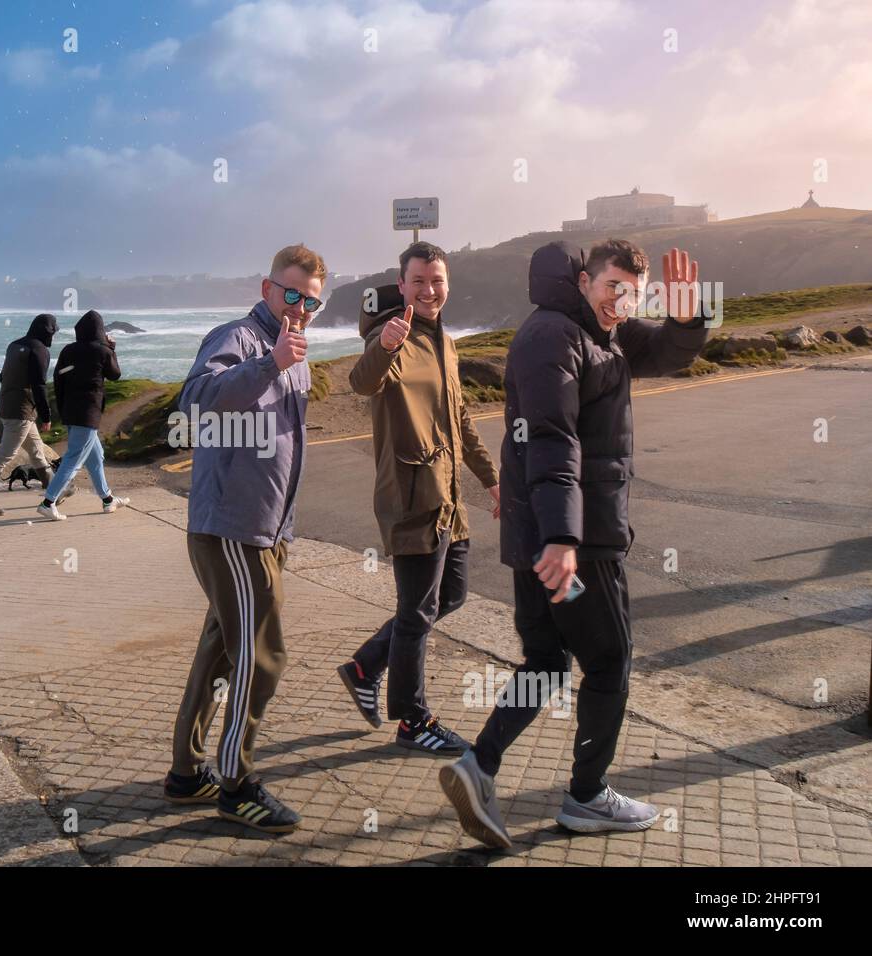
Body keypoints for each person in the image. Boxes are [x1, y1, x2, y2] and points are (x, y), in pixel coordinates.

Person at [440, 239, 707, 849]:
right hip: (575, 542)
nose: (622, 301)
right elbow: (553, 441)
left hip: (550, 536)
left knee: (548, 663)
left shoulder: (600, 331)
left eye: (632, 293)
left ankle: (477, 767)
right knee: (609, 661)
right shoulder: (553, 338)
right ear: (585, 279)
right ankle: (587, 798)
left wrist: (688, 318)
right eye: (613, 286)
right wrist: (564, 537)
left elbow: (668, 354)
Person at [163, 243, 324, 834]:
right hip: (233, 529)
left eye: (311, 300)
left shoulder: (294, 351)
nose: (300, 306)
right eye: (290, 293)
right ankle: (236, 785)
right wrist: (270, 364)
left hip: (262, 529)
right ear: (266, 289)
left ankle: (187, 773)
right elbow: (196, 401)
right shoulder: (239, 338)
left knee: (222, 651)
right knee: (262, 656)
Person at [337, 242, 500, 756]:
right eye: (419, 281)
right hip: (410, 497)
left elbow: (462, 419)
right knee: (417, 612)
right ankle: (412, 719)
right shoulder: (395, 339)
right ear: (402, 285)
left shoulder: (445, 344)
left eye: (437, 281)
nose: (430, 291)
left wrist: (492, 480)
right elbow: (361, 383)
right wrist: (384, 344)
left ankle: (366, 666)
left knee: (449, 596)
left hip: (450, 497)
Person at [35, 309, 129, 520]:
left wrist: (60, 408)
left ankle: (108, 499)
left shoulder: (69, 350)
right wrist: (111, 348)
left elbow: (58, 380)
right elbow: (115, 375)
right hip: (88, 413)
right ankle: (48, 502)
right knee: (74, 459)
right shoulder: (102, 351)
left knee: (96, 458)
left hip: (70, 410)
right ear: (100, 330)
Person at [0, 313, 58, 516]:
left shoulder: (14, 345)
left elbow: (3, 376)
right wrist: (46, 416)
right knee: (4, 455)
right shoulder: (40, 350)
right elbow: (39, 385)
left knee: (37, 451)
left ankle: (57, 490)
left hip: (7, 405)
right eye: (53, 332)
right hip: (21, 411)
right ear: (49, 332)